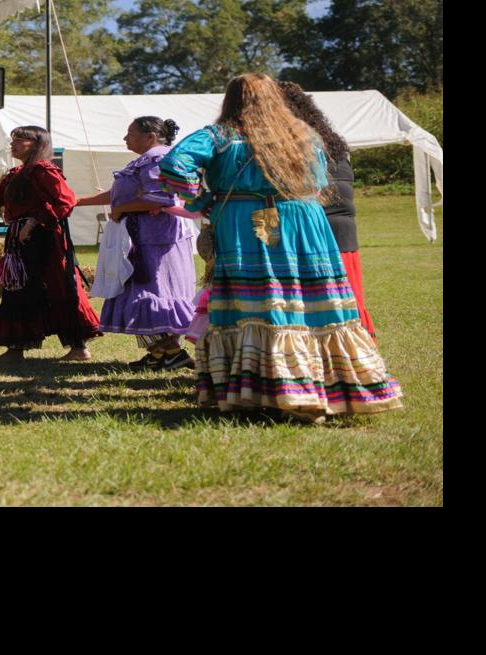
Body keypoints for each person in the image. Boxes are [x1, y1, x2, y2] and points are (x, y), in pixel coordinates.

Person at [158, 74, 399, 420]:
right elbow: (317, 182)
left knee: (263, 301)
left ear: (231, 101)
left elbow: (173, 164)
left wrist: (201, 201)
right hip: (303, 219)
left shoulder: (221, 135)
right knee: (307, 301)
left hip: (246, 220)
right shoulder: (301, 134)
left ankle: (269, 392)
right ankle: (323, 391)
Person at [0, 125, 101, 361]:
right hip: (21, 242)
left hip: (45, 243)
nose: (12, 144)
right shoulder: (18, 173)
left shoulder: (44, 171)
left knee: (58, 289)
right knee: (19, 291)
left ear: (36, 144)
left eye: (19, 139)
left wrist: (34, 221)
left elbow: (66, 201)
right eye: (13, 139)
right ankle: (16, 349)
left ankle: (78, 348)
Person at [74, 117, 196, 369]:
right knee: (144, 292)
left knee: (150, 293)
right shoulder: (149, 160)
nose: (125, 139)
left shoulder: (158, 159)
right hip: (146, 237)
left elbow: (161, 198)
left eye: (130, 133)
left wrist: (122, 209)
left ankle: (171, 353)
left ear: (150, 136)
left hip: (155, 240)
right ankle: (161, 354)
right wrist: (79, 202)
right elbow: (121, 194)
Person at [279, 81, 373, 339]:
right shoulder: (332, 142)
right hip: (344, 230)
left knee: (327, 300)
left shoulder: (298, 143)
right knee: (348, 296)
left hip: (318, 232)